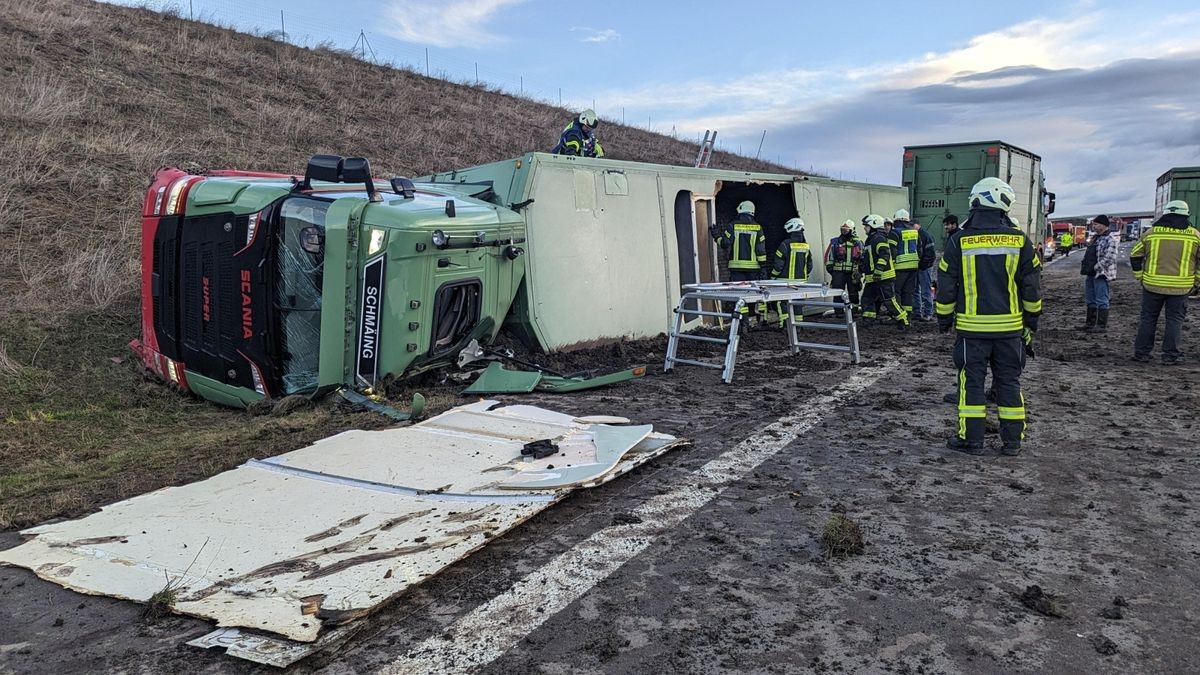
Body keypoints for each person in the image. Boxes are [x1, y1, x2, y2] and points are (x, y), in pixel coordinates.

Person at [937, 178, 1042, 456]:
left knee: (971, 383)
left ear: (975, 201)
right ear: (1003, 204)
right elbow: (1031, 287)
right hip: (1011, 330)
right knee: (1009, 382)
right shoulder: (1020, 241)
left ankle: (972, 440)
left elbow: (946, 284)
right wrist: (1031, 320)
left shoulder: (958, 240)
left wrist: (943, 319)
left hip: (971, 331)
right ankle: (1012, 442)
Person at [1130, 200, 1200, 364]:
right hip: (1181, 287)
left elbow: (1135, 255)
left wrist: (1140, 276)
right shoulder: (1195, 235)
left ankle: (1141, 353)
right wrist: (1196, 281)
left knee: (1148, 319)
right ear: (1186, 215)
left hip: (1152, 285)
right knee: (1174, 321)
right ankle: (1170, 356)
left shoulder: (1151, 233)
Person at [715, 200, 767, 326]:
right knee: (754, 295)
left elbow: (725, 243)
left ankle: (744, 323)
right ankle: (758, 320)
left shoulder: (733, 225)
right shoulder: (758, 227)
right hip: (754, 269)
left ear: (740, 210)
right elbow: (761, 250)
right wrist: (763, 267)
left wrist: (716, 236)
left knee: (740, 296)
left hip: (736, 268)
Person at [859, 214, 908, 329]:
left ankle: (903, 320)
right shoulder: (870, 240)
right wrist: (860, 270)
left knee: (889, 301)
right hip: (873, 278)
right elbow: (868, 259)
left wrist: (878, 270)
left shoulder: (879, 238)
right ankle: (868, 320)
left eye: (866, 226)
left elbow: (884, 254)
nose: (864, 228)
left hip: (884, 277)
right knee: (867, 299)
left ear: (873, 225)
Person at [887, 209, 936, 320]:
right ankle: (908, 315)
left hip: (899, 268)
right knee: (909, 292)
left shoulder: (894, 232)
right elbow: (919, 249)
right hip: (913, 267)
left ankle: (899, 316)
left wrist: (891, 265)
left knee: (897, 292)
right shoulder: (914, 232)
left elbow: (892, 251)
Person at [770, 217, 813, 325]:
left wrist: (772, 277)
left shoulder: (785, 244)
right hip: (801, 282)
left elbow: (778, 265)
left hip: (784, 282)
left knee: (781, 302)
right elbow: (810, 265)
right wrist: (804, 276)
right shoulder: (806, 246)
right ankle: (798, 325)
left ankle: (784, 324)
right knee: (797, 304)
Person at [1077, 215, 1117, 333]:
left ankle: (1101, 325)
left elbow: (1110, 257)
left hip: (1101, 273)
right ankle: (1090, 323)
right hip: (1091, 273)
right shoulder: (1095, 238)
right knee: (1090, 298)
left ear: (1104, 225)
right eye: (1093, 224)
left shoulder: (1110, 239)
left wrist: (1097, 267)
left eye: (1096, 224)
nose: (1094, 226)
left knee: (1101, 299)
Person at [825, 219, 862, 317]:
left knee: (853, 292)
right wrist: (830, 270)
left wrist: (859, 272)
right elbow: (829, 256)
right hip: (838, 273)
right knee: (838, 292)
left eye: (846, 230)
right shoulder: (835, 242)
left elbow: (862, 258)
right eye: (842, 230)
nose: (844, 232)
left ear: (852, 230)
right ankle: (839, 312)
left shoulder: (858, 243)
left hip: (852, 273)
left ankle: (854, 311)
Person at [913, 220, 936, 321]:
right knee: (916, 290)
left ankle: (928, 313)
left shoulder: (925, 236)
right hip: (919, 267)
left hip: (924, 267)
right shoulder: (918, 235)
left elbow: (931, 254)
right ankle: (917, 312)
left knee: (925, 290)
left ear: (918, 225)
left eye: (912, 225)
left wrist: (922, 265)